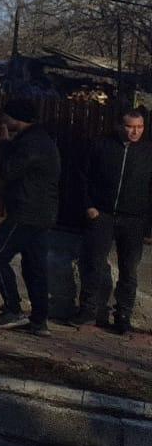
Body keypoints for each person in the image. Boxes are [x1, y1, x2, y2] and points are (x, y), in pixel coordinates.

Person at [74, 108, 151, 336]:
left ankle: (123, 316)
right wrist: (89, 205)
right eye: (130, 126)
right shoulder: (101, 146)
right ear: (119, 126)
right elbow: (83, 176)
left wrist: (146, 219)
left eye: (139, 127)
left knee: (129, 269)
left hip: (134, 218)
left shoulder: (147, 152)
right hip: (103, 213)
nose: (135, 132)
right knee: (94, 263)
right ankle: (88, 310)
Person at [0, 100, 59, 335]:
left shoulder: (31, 143)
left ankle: (13, 309)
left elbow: (9, 170)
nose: (3, 121)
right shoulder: (39, 140)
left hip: (26, 212)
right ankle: (39, 320)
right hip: (41, 213)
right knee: (34, 266)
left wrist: (3, 145)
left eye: (6, 117)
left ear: (16, 118)